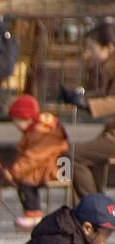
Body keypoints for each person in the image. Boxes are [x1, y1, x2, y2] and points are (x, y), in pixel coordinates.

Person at [60, 24, 115, 199]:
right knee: (89, 159)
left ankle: (92, 211)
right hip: (111, 133)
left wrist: (86, 103)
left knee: (75, 156)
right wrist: (78, 97)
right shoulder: (110, 68)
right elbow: (106, 95)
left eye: (92, 48)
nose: (87, 53)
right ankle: (95, 213)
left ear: (109, 47)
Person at [0, 94, 68, 232]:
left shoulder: (41, 131)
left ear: (25, 118)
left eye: (16, 120)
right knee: (25, 177)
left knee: (25, 180)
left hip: (56, 167)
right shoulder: (35, 129)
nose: (15, 125)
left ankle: (33, 213)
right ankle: (32, 212)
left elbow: (34, 157)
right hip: (49, 164)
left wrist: (14, 171)